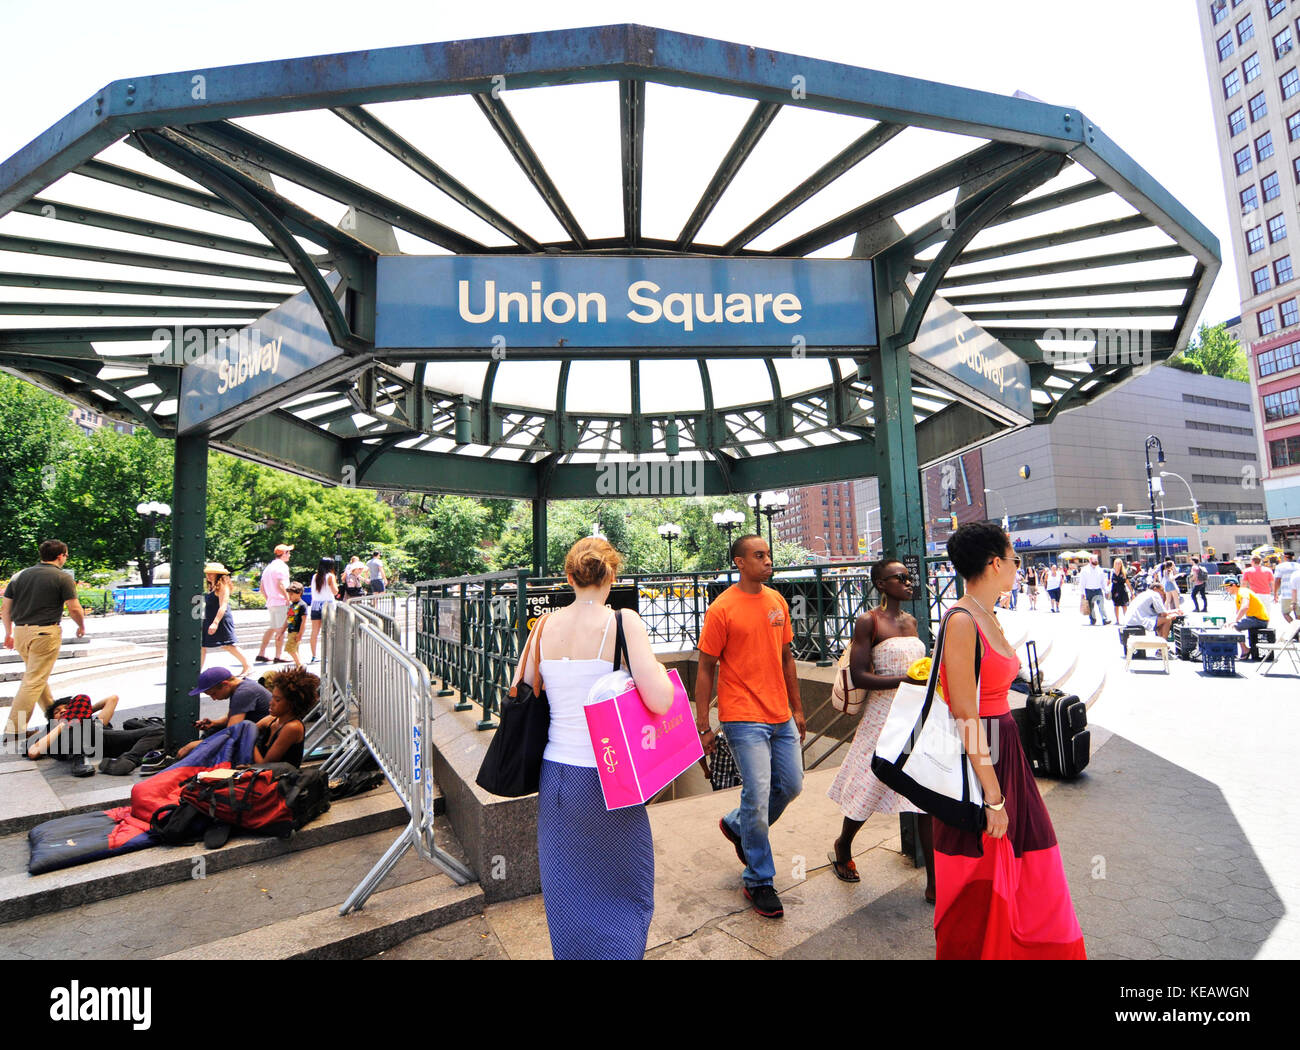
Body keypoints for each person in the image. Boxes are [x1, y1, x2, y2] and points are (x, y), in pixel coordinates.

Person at [510, 537, 674, 960]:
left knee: (568, 889)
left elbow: (522, 687)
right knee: (626, 887)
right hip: (611, 777)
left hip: (557, 779)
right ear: (612, 575)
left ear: (569, 577)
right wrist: (652, 669)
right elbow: (660, 700)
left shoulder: (544, 626)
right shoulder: (625, 622)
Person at [933, 522, 1086, 959]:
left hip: (1004, 753)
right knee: (984, 869)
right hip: (983, 759)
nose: (1019, 568)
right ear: (996, 563)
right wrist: (993, 795)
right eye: (1016, 559)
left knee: (1031, 862)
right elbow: (965, 711)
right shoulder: (962, 619)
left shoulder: (985, 613)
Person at [695, 534, 806, 920]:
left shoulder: (776, 601)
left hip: (780, 714)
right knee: (757, 795)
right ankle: (759, 878)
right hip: (742, 716)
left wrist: (798, 708)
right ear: (740, 563)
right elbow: (706, 666)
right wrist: (703, 725)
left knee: (791, 785)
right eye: (759, 556)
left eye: (768, 555)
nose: (767, 560)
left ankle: (736, 824)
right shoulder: (722, 608)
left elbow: (787, 657)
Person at [826, 560, 935, 901]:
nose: (907, 581)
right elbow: (859, 675)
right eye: (899, 577)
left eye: (908, 577)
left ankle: (935, 883)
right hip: (882, 716)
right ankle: (843, 845)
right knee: (868, 787)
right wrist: (903, 680)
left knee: (922, 797)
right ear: (880, 584)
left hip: (915, 714)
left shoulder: (912, 621)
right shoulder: (868, 621)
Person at [2, 540, 86, 740]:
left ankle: (53, 715)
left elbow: (5, 608)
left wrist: (8, 632)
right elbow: (74, 608)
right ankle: (14, 730)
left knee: (37, 677)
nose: (66, 558)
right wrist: (81, 626)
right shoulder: (61, 577)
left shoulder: (19, 576)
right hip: (45, 634)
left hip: (21, 633)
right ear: (60, 556)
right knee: (33, 681)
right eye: (66, 555)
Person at [175, 666, 272, 759]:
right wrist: (214, 723)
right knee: (212, 730)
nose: (213, 699)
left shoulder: (243, 693)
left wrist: (195, 744)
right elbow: (232, 717)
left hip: (263, 739)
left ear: (225, 684)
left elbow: (233, 732)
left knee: (210, 745)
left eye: (213, 693)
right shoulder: (243, 685)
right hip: (254, 732)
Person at [25, 694, 120, 777]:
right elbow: (33, 752)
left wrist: (82, 712)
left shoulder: (93, 725)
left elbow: (112, 699)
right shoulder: (53, 735)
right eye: (57, 712)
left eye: (67, 708)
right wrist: (64, 723)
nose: (62, 711)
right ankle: (79, 760)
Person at [250, 667, 318, 766]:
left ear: (292, 704)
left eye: (277, 700)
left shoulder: (292, 727)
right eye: (272, 697)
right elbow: (247, 730)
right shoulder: (272, 720)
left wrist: (249, 743)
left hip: (279, 779)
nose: (271, 703)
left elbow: (265, 765)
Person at [201, 562, 252, 674]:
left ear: (218, 574)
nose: (208, 575)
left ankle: (248, 666)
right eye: (208, 573)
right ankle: (197, 671)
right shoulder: (212, 586)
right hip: (210, 619)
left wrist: (215, 623)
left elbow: (223, 606)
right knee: (203, 646)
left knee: (228, 645)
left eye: (212, 573)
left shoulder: (223, 586)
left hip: (221, 620)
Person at [255, 543, 293, 664]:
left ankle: (261, 653)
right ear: (284, 554)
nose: (290, 555)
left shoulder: (268, 567)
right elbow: (281, 584)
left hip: (271, 601)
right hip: (281, 601)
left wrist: (268, 597)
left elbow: (261, 587)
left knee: (273, 627)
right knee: (280, 629)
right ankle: (278, 655)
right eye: (288, 552)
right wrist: (288, 598)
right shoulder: (282, 567)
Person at [1223, 577, 1270, 659]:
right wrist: (1231, 621)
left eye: (1227, 587)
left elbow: (1245, 607)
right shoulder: (1238, 595)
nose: (1226, 589)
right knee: (1228, 626)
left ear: (1233, 585)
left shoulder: (1243, 592)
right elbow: (1238, 611)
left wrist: (1235, 621)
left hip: (1259, 619)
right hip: (1253, 618)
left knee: (1233, 627)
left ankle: (1245, 649)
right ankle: (1231, 651)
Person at [307, 557, 340, 663]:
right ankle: (327, 655)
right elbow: (335, 592)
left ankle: (313, 655)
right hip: (328, 606)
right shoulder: (330, 576)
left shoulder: (315, 576)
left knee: (314, 631)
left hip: (315, 605)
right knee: (328, 631)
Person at [282, 583, 308, 667]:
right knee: (294, 649)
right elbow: (287, 618)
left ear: (299, 593)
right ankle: (298, 665)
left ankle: (300, 665)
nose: (289, 597)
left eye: (291, 594)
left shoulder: (302, 605)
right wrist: (281, 631)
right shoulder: (291, 605)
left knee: (290, 649)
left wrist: (300, 633)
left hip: (296, 631)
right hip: (290, 630)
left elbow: (304, 621)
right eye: (289, 594)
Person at [1078, 555, 1109, 625]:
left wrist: (1106, 590)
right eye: (1094, 560)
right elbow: (1082, 583)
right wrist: (1082, 593)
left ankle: (1105, 619)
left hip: (1098, 590)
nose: (1095, 562)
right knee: (1091, 607)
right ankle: (1093, 620)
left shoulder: (1100, 570)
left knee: (1101, 605)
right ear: (1090, 561)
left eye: (1096, 560)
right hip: (1088, 591)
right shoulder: (1085, 570)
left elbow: (1103, 581)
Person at [1276, 551, 1299, 623]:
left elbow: (1277, 580)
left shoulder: (1280, 566)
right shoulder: (1298, 566)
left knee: (1285, 613)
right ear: (1293, 557)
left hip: (1286, 594)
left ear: (1285, 557)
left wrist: (1275, 593)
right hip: (1298, 594)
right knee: (1299, 615)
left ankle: (1294, 627)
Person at [1110, 557, 1130, 624]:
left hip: (1122, 590)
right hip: (1115, 590)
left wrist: (1132, 592)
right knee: (1116, 606)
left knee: (1124, 605)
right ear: (1114, 564)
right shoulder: (1111, 572)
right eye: (1116, 563)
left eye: (1119, 563)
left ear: (1121, 564)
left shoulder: (1124, 572)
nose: (1118, 565)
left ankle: (1127, 620)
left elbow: (1127, 582)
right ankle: (1117, 620)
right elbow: (1108, 582)